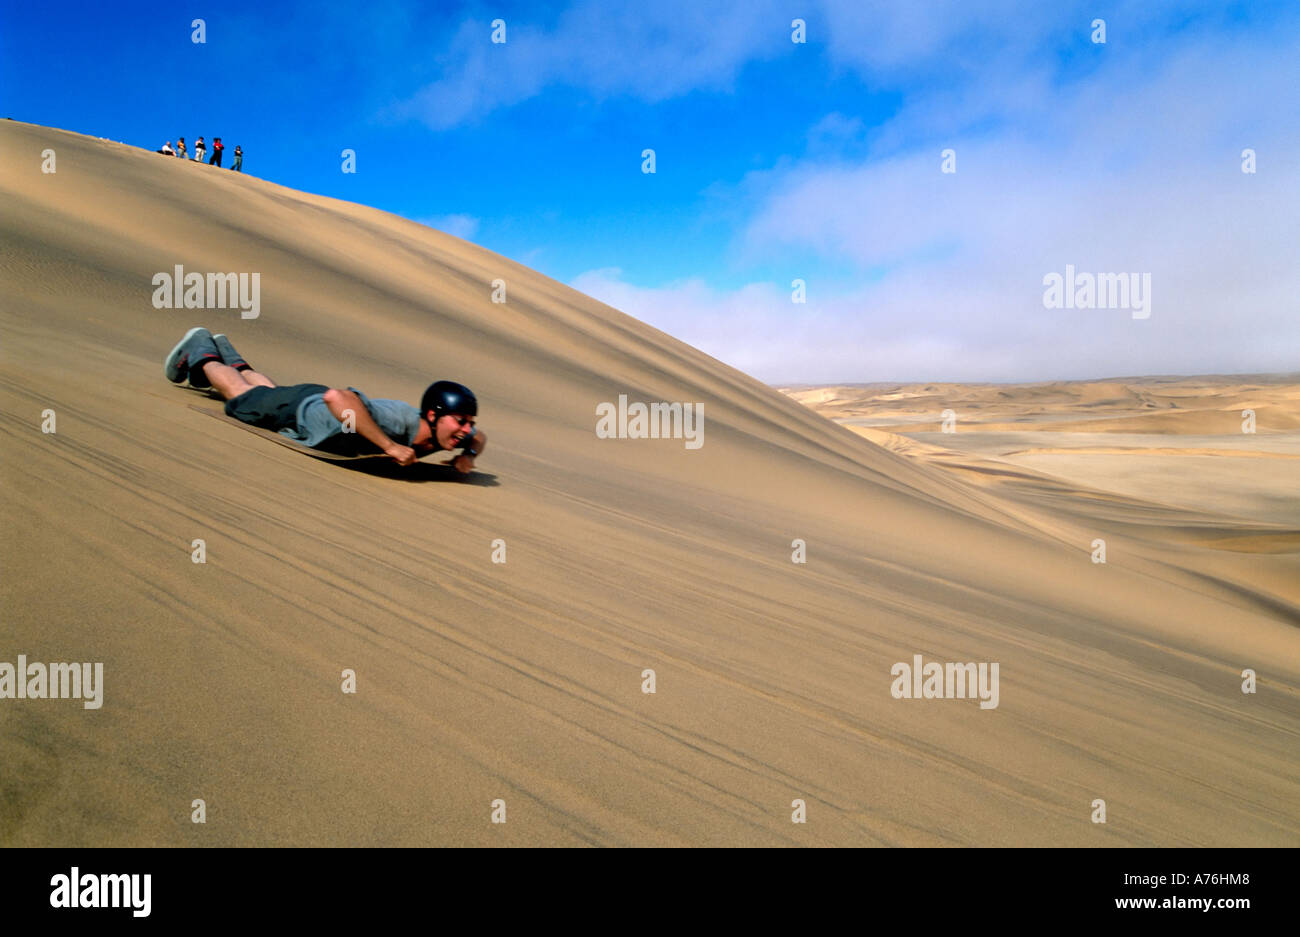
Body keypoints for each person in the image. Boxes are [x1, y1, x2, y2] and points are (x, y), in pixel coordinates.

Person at [163, 327, 485, 469]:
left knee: (268, 392)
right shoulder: (398, 421)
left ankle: (228, 351)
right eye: (460, 422)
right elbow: (336, 398)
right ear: (433, 415)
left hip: (307, 401)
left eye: (469, 424)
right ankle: (202, 351)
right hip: (305, 411)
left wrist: (469, 454)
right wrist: (389, 446)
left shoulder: (447, 436)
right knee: (241, 395)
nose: (466, 430)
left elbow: (480, 438)